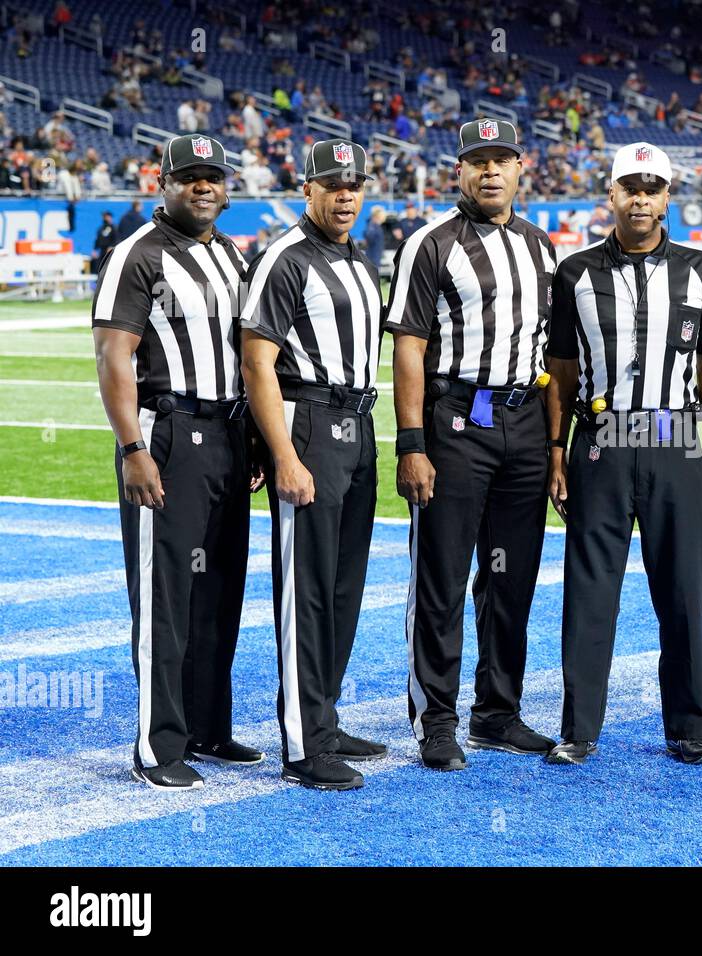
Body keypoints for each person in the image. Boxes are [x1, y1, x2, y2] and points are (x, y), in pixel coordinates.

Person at [542, 142, 702, 766]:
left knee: (682, 588)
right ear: (612, 195)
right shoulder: (574, 272)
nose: (641, 198)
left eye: (653, 188)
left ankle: (689, 730)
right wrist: (554, 447)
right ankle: (579, 731)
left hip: (675, 436)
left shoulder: (701, 271)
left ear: (667, 198)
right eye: (631, 187)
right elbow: (562, 368)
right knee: (590, 588)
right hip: (601, 437)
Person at [385, 119, 557, 772]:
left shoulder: (541, 247)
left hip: (524, 423)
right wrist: (412, 442)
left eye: (501, 160)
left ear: (521, 167)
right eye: (477, 161)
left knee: (511, 578)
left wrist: (553, 443)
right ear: (458, 170)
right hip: (455, 422)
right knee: (442, 575)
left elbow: (553, 351)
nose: (489, 172)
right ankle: (438, 719)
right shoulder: (430, 244)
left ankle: (497, 711)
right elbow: (409, 347)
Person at [92, 134, 263, 789]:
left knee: (218, 591)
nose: (202, 186)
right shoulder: (137, 253)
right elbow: (113, 356)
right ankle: (158, 745)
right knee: (165, 596)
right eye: (188, 176)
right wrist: (133, 448)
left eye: (212, 176)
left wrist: (248, 438)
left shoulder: (230, 254)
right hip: (166, 431)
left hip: (225, 433)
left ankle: (208, 727)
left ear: (226, 186)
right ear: (162, 182)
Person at [240, 139, 386, 791]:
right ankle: (303, 742)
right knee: (307, 588)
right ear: (308, 189)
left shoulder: (356, 255)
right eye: (332, 183)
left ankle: (323, 718)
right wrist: (284, 455)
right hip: (311, 425)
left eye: (354, 182)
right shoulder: (285, 257)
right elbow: (256, 362)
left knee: (344, 586)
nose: (345, 193)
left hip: (358, 426)